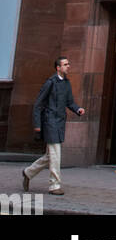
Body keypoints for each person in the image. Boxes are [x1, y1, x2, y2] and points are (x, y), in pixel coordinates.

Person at [23, 56, 85, 196]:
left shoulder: (67, 83)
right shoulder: (50, 83)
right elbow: (38, 104)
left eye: (68, 64)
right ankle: (54, 185)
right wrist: (37, 125)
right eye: (65, 64)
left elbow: (70, 102)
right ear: (58, 68)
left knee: (50, 156)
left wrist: (78, 109)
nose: (68, 66)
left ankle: (28, 172)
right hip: (50, 121)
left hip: (60, 122)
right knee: (56, 154)